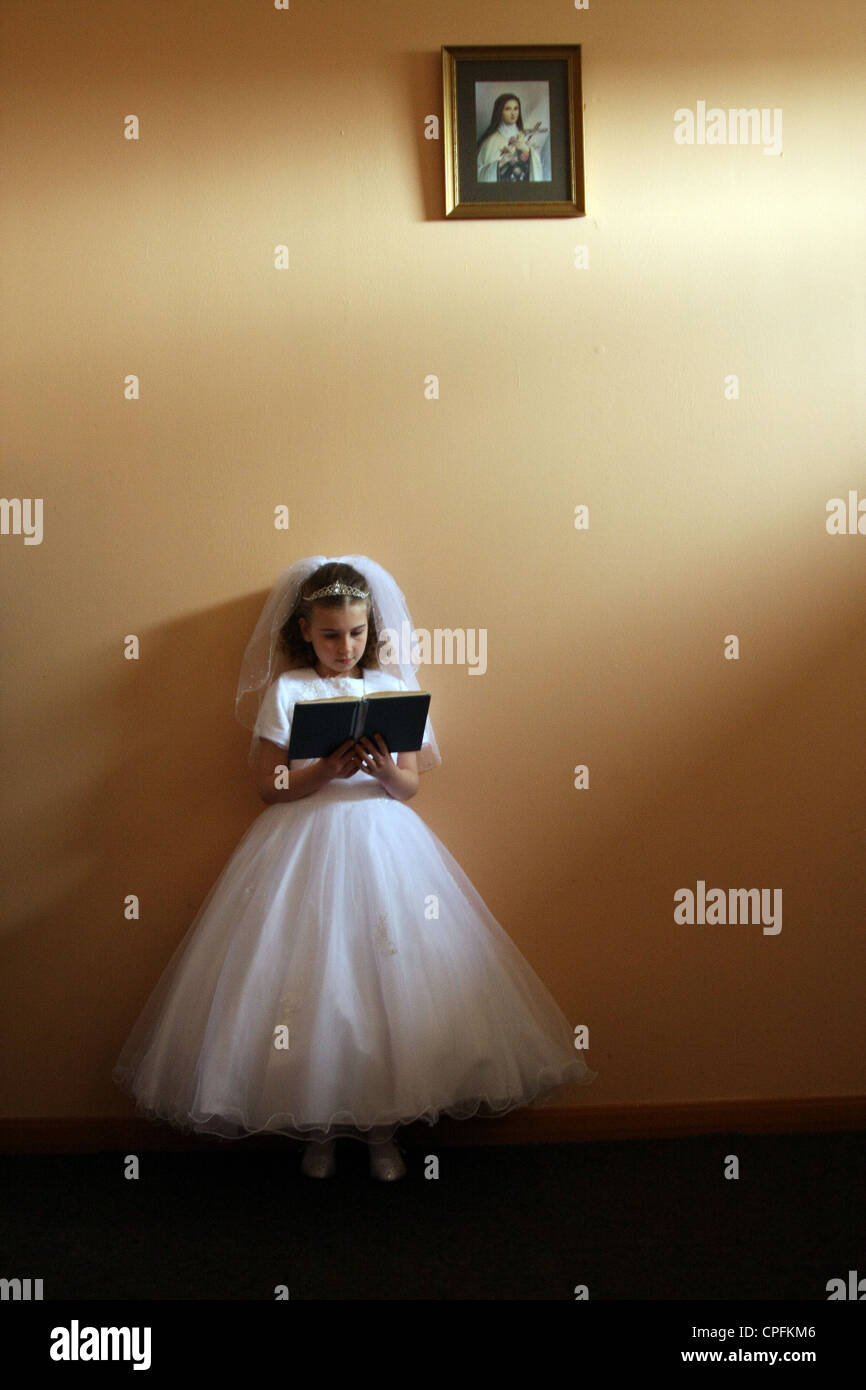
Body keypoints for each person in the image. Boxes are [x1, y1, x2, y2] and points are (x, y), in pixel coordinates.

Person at [112, 554, 596, 1181]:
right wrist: (323, 772)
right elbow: (268, 783)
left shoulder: (390, 689)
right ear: (305, 632)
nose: (346, 647)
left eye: (358, 633)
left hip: (382, 837)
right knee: (314, 978)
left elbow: (411, 784)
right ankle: (318, 1127)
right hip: (302, 837)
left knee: (383, 978)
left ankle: (381, 1130)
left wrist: (380, 767)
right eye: (332, 634)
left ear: (373, 631)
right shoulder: (287, 691)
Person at [477, 92, 544, 183]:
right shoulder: (490, 142)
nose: (513, 113)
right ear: (500, 111)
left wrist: (528, 151)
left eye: (516, 109)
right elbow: (479, 174)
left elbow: (536, 171)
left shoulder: (523, 137)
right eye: (508, 109)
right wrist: (500, 163)